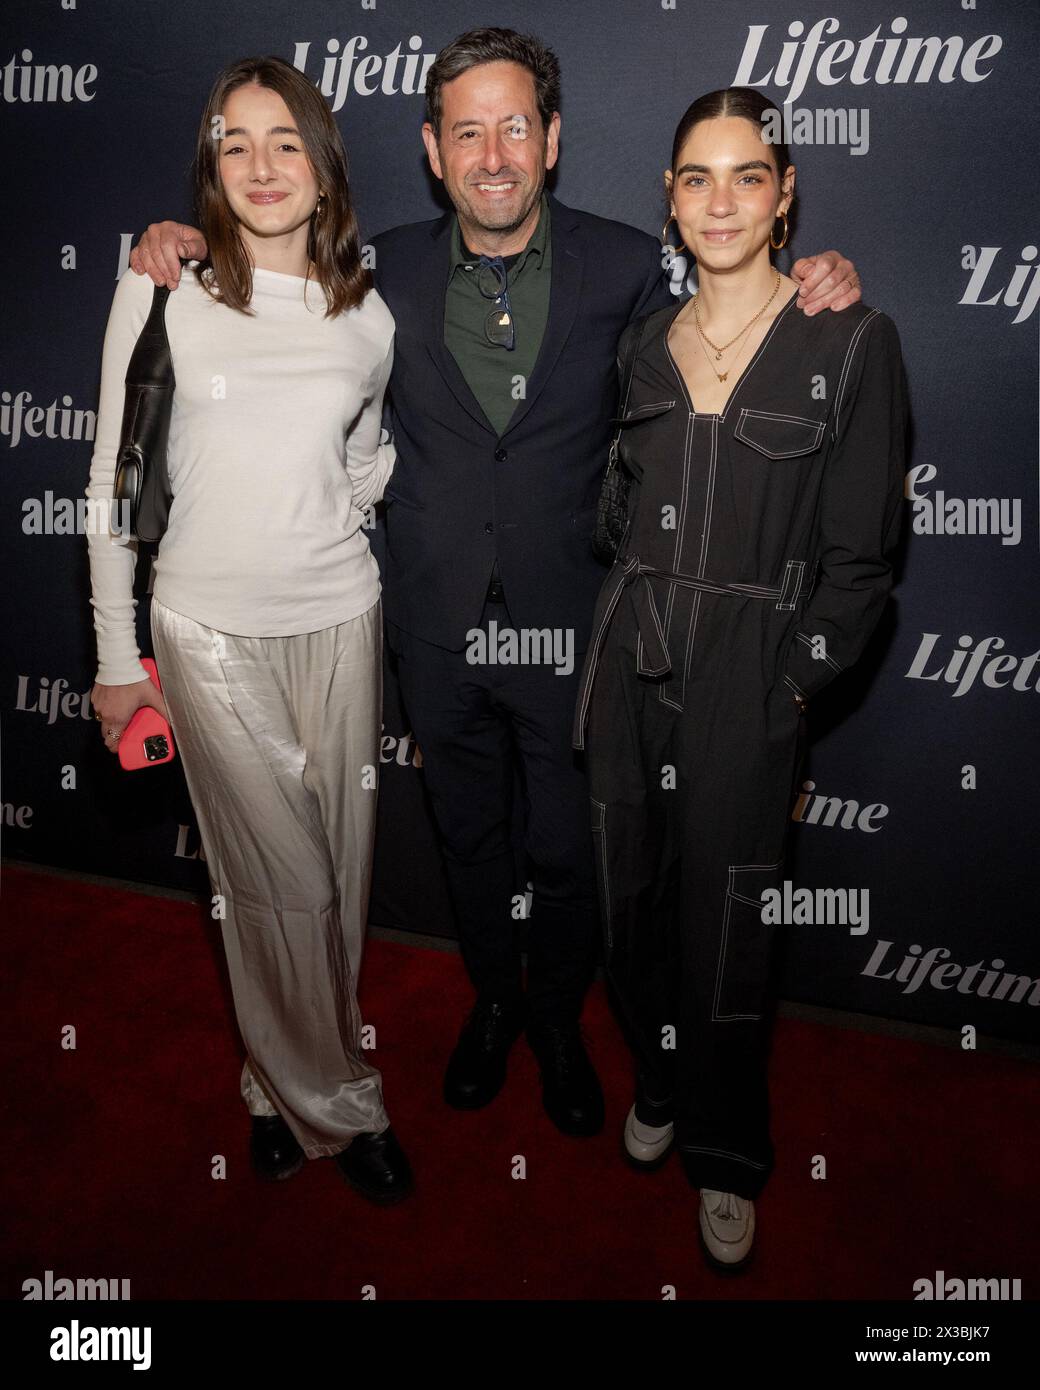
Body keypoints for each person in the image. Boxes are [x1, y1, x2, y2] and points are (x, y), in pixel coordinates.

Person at [128, 28, 862, 1142]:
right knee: (467, 839)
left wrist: (816, 274)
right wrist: (175, 239)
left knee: (567, 853)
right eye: (466, 131)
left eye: (515, 126)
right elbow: (260, 268)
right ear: (432, 151)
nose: (493, 154)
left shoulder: (628, 265)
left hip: (578, 630)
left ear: (552, 139)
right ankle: (494, 1003)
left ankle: (557, 1021)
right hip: (432, 626)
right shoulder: (374, 273)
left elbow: (732, 319)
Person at [572, 86, 908, 1268]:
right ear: (668, 200)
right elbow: (615, 510)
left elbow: (861, 562)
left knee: (727, 930)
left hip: (748, 676)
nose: (720, 202)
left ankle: (723, 1147)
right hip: (631, 657)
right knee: (626, 905)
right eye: (695, 178)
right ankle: (660, 1076)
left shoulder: (847, 340)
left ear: (783, 194)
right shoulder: (639, 343)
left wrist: (790, 689)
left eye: (746, 176)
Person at [86, 56, 413, 1204]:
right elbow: (116, 487)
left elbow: (364, 458)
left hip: (343, 619)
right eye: (236, 144)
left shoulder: (366, 317)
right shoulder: (161, 287)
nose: (262, 166)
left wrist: (331, 501)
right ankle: (345, 1106)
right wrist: (115, 659)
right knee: (283, 885)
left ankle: (270, 1085)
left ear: (324, 169)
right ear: (210, 168)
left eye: (287, 143)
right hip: (207, 630)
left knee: (338, 882)